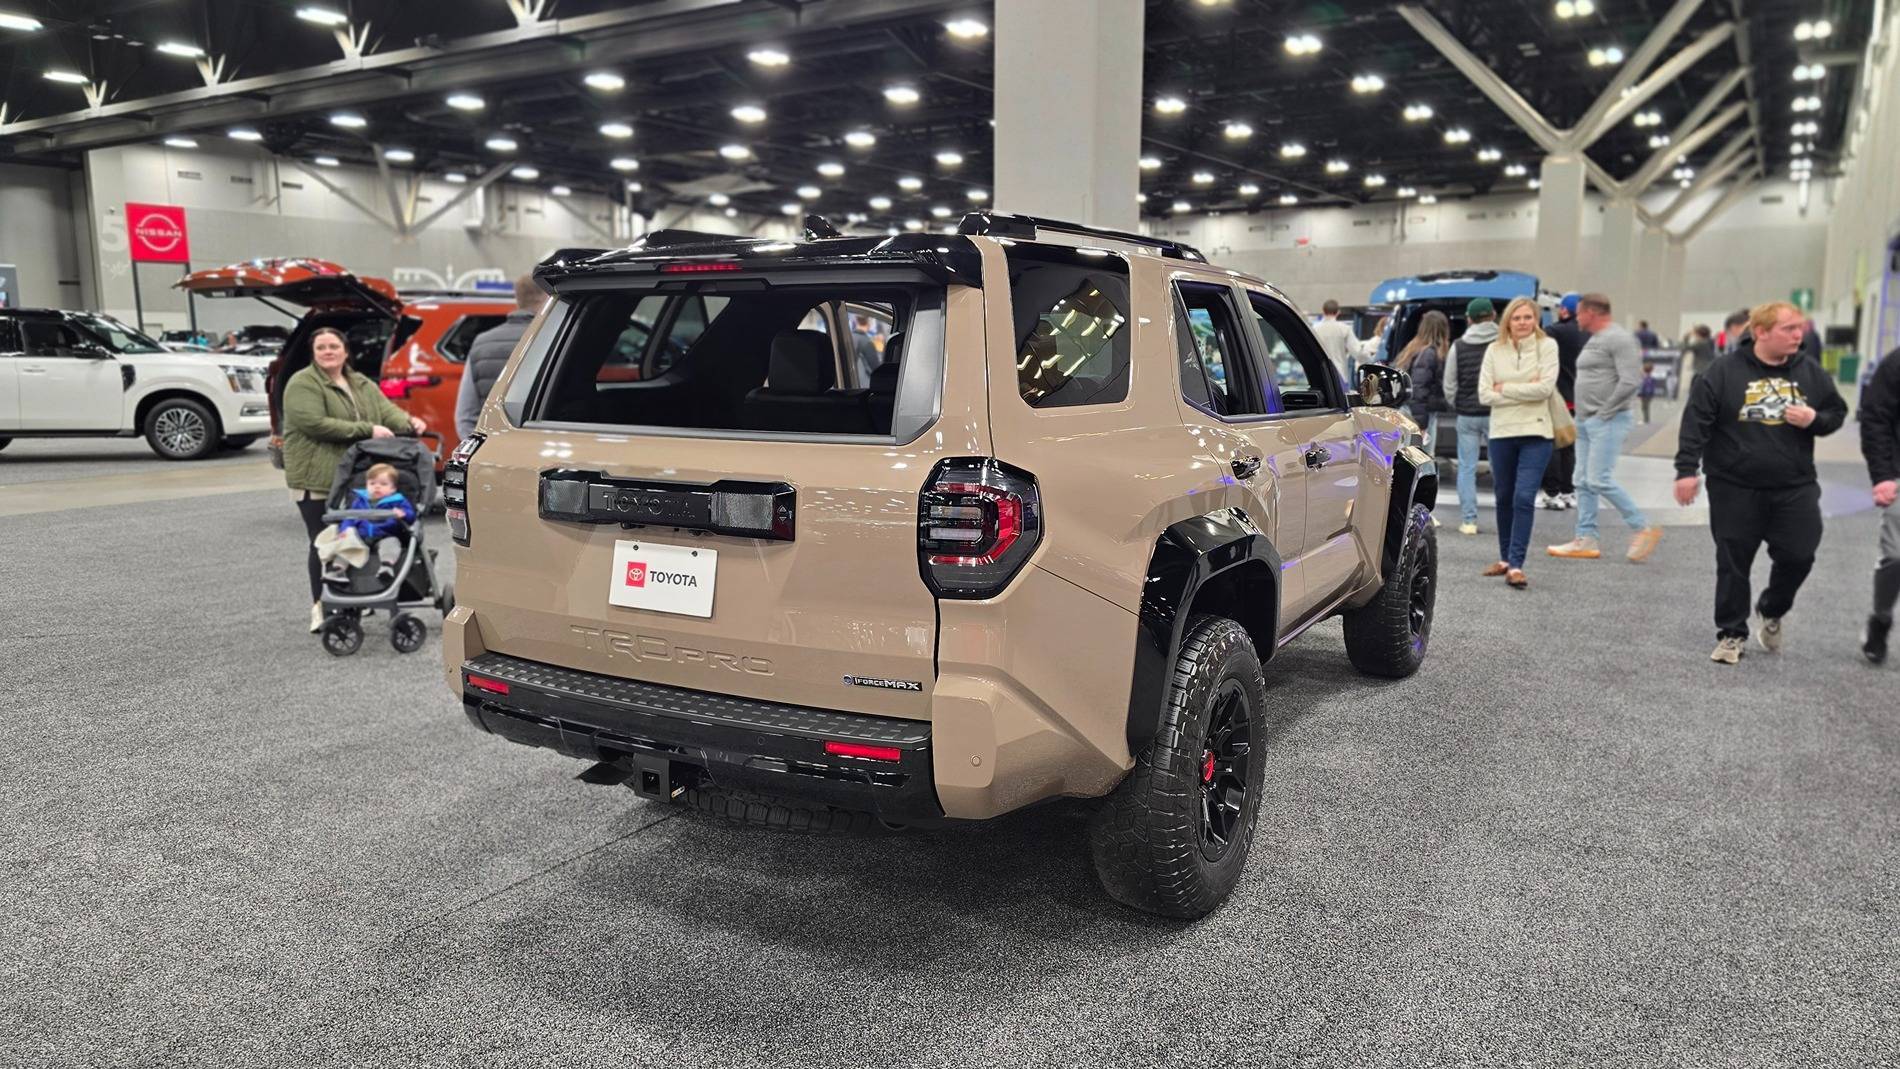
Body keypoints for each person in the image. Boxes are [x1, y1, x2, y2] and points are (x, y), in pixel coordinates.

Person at [1674, 301, 1848, 664]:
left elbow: (1836, 412)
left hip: (1794, 484)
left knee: (1800, 554)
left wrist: (1814, 419)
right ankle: (1731, 633)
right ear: (1761, 332)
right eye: (1789, 329)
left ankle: (1771, 608)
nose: (1799, 335)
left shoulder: (1810, 371)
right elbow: (1696, 422)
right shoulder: (1722, 372)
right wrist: (1686, 470)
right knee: (1733, 559)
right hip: (1734, 484)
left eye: (1800, 328)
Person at [284, 326, 425, 632]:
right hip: (316, 478)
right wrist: (367, 430)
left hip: (352, 479)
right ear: (313, 353)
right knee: (325, 541)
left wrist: (409, 422)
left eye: (334, 346)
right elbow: (314, 423)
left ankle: (357, 597)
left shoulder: (359, 382)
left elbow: (386, 411)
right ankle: (322, 606)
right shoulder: (302, 383)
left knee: (363, 535)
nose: (328, 352)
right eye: (321, 347)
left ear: (345, 351)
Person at [1548, 294, 1666, 563]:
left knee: (1598, 479)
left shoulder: (1620, 339)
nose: (1576, 318)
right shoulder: (1594, 339)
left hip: (1607, 420)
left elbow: (1630, 381)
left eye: (1579, 313)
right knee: (1582, 480)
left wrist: (1605, 411)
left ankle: (1642, 527)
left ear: (1591, 313)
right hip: (1586, 420)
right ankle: (1586, 538)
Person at [1478, 297, 1559, 588]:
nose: (1523, 322)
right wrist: (1526, 387)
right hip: (1501, 433)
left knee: (1524, 497)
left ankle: (1516, 565)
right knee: (1503, 496)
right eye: (1517, 317)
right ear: (1507, 321)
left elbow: (1545, 389)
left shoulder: (1547, 346)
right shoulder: (1494, 349)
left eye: (1528, 317)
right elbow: (1484, 394)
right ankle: (1505, 558)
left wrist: (1505, 388)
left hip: (1537, 433)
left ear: (1536, 319)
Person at [455, 274, 548, 439]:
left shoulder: (481, 342)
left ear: (517, 299)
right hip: (538, 445)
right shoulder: (551, 339)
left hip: (493, 446)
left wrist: (480, 449)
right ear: (547, 298)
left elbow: (465, 415)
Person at [1442, 298, 1499, 536]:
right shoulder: (1502, 343)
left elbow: (1449, 384)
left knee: (1466, 467)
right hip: (1497, 413)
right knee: (1501, 467)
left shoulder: (1459, 345)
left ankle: (1469, 521)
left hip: (1467, 414)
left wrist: (1458, 404)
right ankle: (1505, 519)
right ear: (1493, 316)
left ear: (1469, 319)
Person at [1859, 346, 1900, 664]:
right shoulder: (1896, 363)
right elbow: (1875, 417)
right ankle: (1881, 617)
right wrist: (1883, 474)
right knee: (1896, 554)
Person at [314, 462, 416, 576]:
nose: (377, 487)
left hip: (385, 534)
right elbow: (349, 517)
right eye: (372, 483)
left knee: (392, 544)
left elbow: (411, 516)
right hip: (361, 536)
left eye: (383, 484)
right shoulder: (359, 500)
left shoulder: (398, 501)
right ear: (366, 485)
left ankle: (387, 565)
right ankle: (337, 569)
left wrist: (403, 514)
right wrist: (345, 530)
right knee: (347, 546)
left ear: (393, 488)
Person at [1539, 293, 1585, 512]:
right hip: (1578, 400)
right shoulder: (1589, 333)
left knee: (1553, 446)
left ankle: (1552, 493)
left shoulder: (1556, 331)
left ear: (1565, 311)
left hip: (1559, 399)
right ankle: (1568, 492)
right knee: (1569, 447)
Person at [1394, 310, 1449, 453]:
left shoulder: (1413, 348)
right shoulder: (1428, 353)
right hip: (1419, 414)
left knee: (1410, 456)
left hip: (1408, 410)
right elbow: (1419, 388)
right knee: (1424, 458)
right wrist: (1421, 424)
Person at [1311, 299, 1366, 384]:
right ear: (1338, 312)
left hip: (1320, 374)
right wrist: (1369, 360)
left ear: (1323, 311)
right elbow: (1357, 352)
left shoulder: (1314, 329)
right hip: (1339, 375)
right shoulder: (1344, 329)